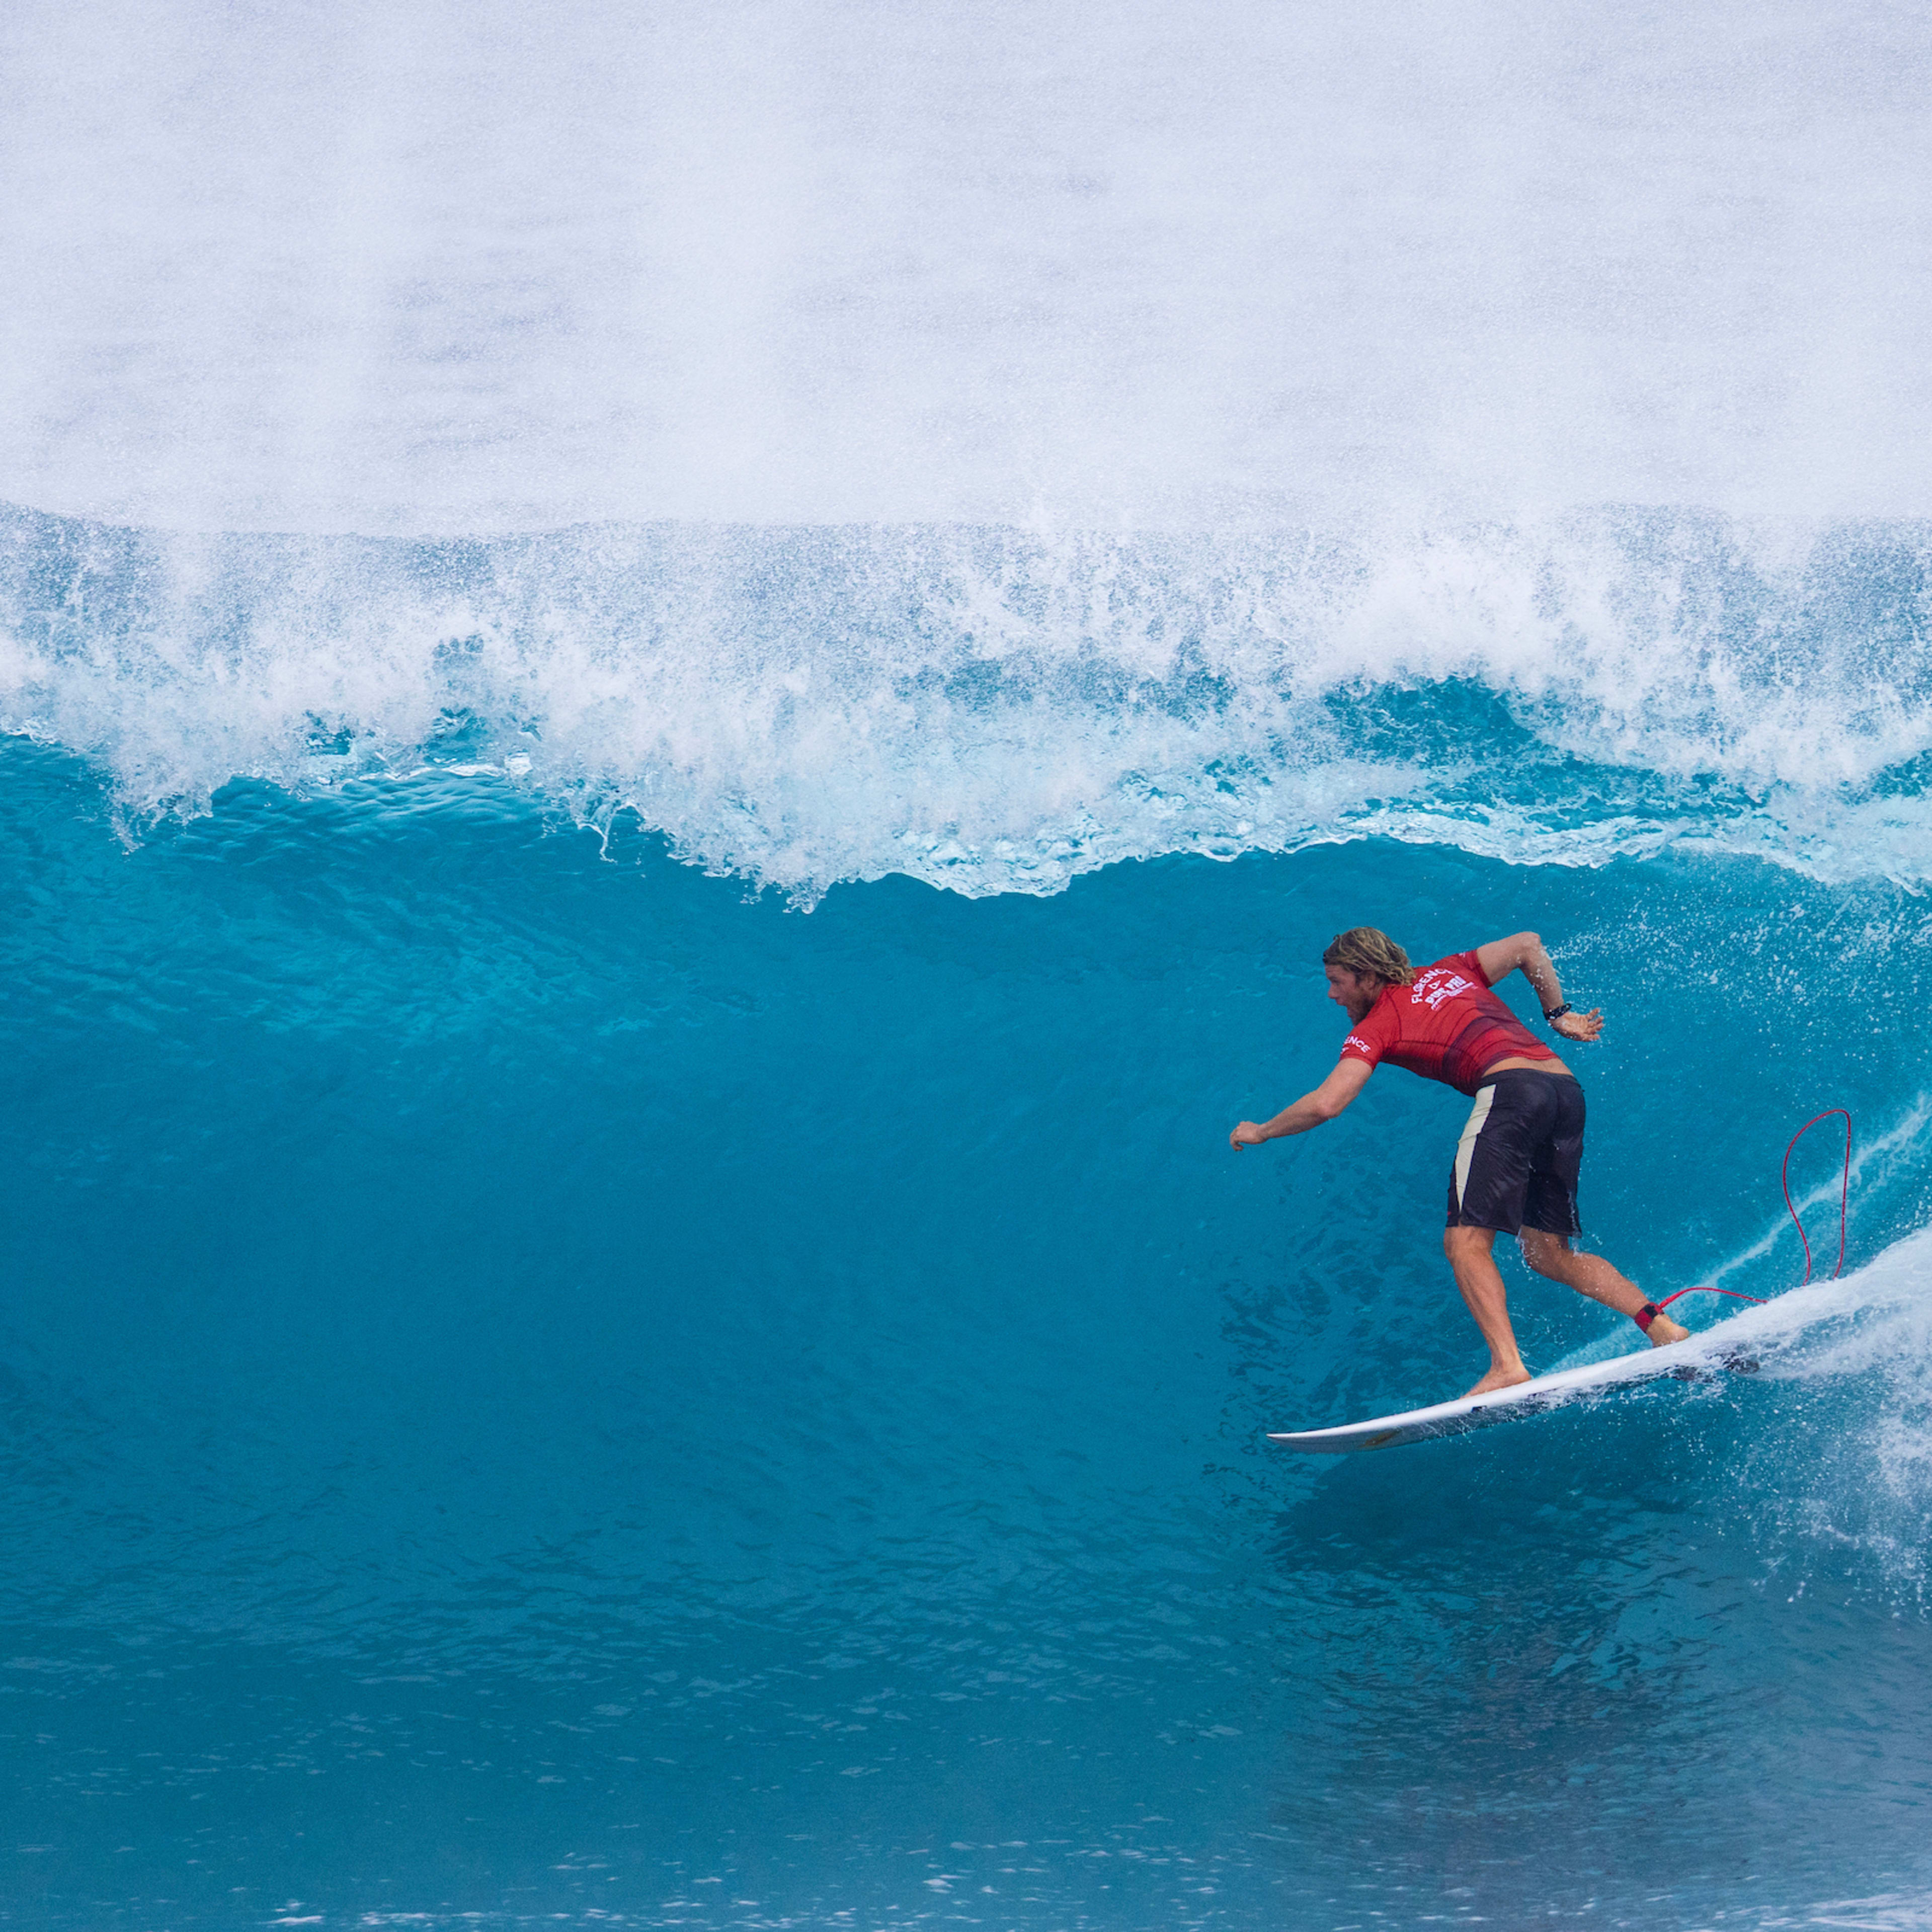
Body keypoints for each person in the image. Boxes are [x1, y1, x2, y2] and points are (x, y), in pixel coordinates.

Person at [1229, 926, 1689, 1396]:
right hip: (1565, 1092)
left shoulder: (1378, 1026)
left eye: (1337, 982)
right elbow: (1527, 944)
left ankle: (1508, 1365)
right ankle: (1663, 1329)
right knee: (1549, 1254)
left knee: (1465, 1243)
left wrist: (1262, 1131)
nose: (1332, 995)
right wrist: (1558, 1014)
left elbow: (1327, 1103)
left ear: (1367, 977)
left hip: (1512, 1092)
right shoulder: (1451, 971)